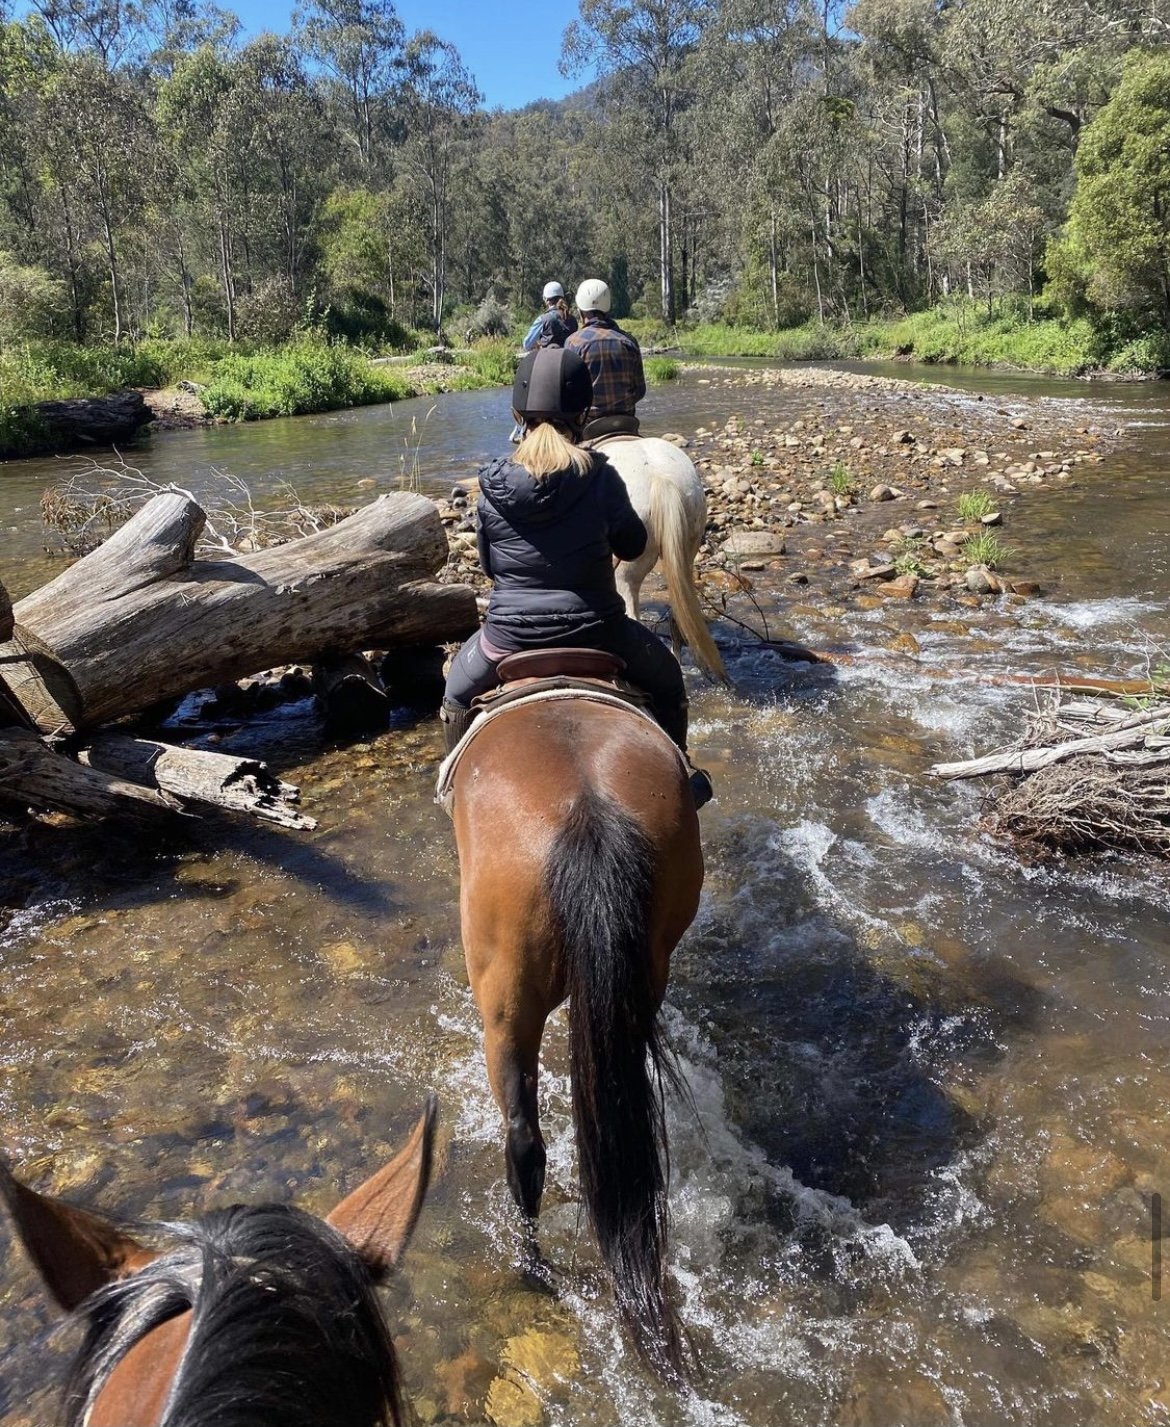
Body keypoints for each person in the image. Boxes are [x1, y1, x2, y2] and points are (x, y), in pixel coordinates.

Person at [440, 345, 711, 805]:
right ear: (584, 412)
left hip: (507, 638)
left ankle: (451, 791)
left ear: (515, 412)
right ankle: (682, 771)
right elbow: (632, 545)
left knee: (454, 697)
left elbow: (488, 565)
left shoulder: (491, 486)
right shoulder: (602, 477)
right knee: (667, 678)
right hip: (601, 632)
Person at [564, 278, 646, 440]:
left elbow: (568, 394)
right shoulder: (629, 341)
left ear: (581, 310)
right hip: (627, 422)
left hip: (588, 425)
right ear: (607, 307)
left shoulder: (573, 342)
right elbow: (640, 391)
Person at [521, 281, 578, 351]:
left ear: (546, 300)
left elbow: (527, 345)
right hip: (569, 359)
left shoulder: (542, 319)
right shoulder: (572, 319)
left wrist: (538, 345)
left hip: (549, 359)